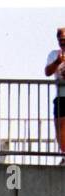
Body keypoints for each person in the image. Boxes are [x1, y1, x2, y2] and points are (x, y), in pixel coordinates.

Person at [45, 27, 65, 160]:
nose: (62, 42)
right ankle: (64, 154)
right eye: (60, 39)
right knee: (60, 129)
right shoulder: (54, 54)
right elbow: (47, 72)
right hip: (61, 96)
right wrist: (58, 62)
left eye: (63, 39)